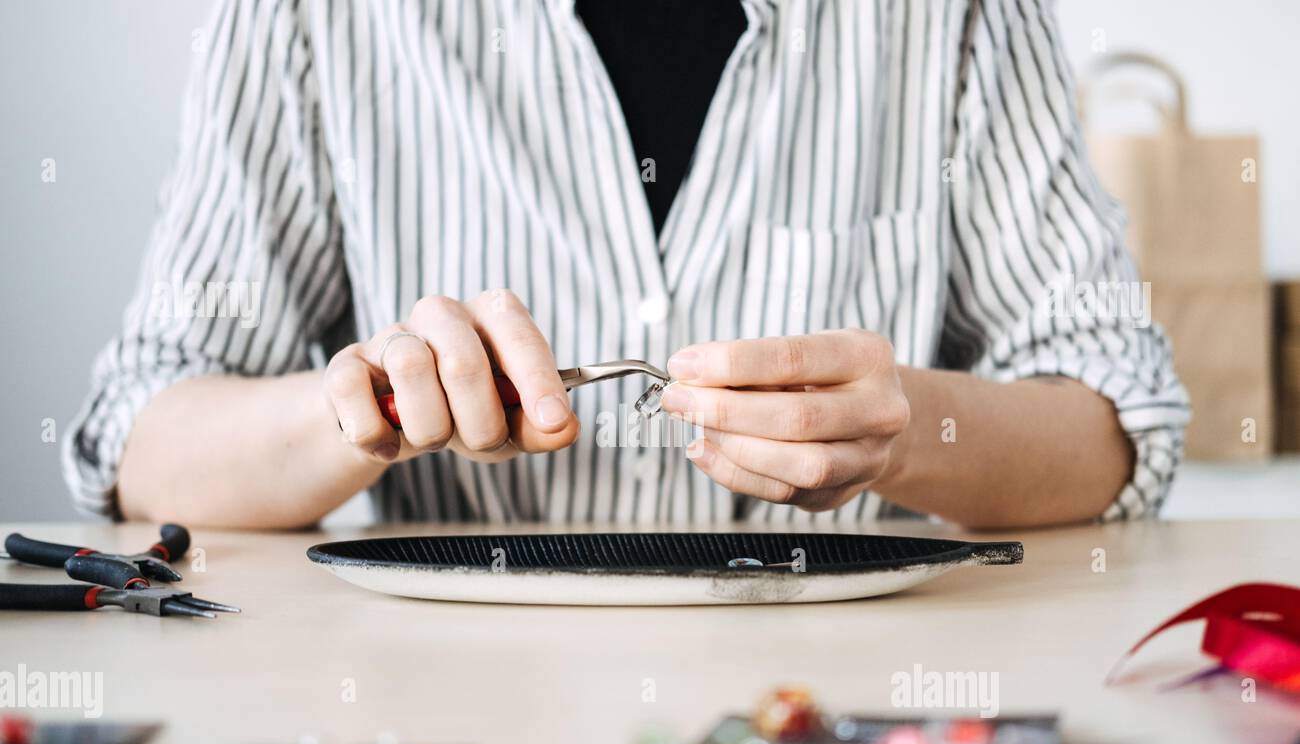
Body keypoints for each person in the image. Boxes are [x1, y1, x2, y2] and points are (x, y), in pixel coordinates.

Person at [64, 0, 1188, 530]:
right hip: (448, 730)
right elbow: (142, 446)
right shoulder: (315, 17)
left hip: (850, 725)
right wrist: (362, 410)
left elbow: (1116, 431)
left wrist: (907, 427)